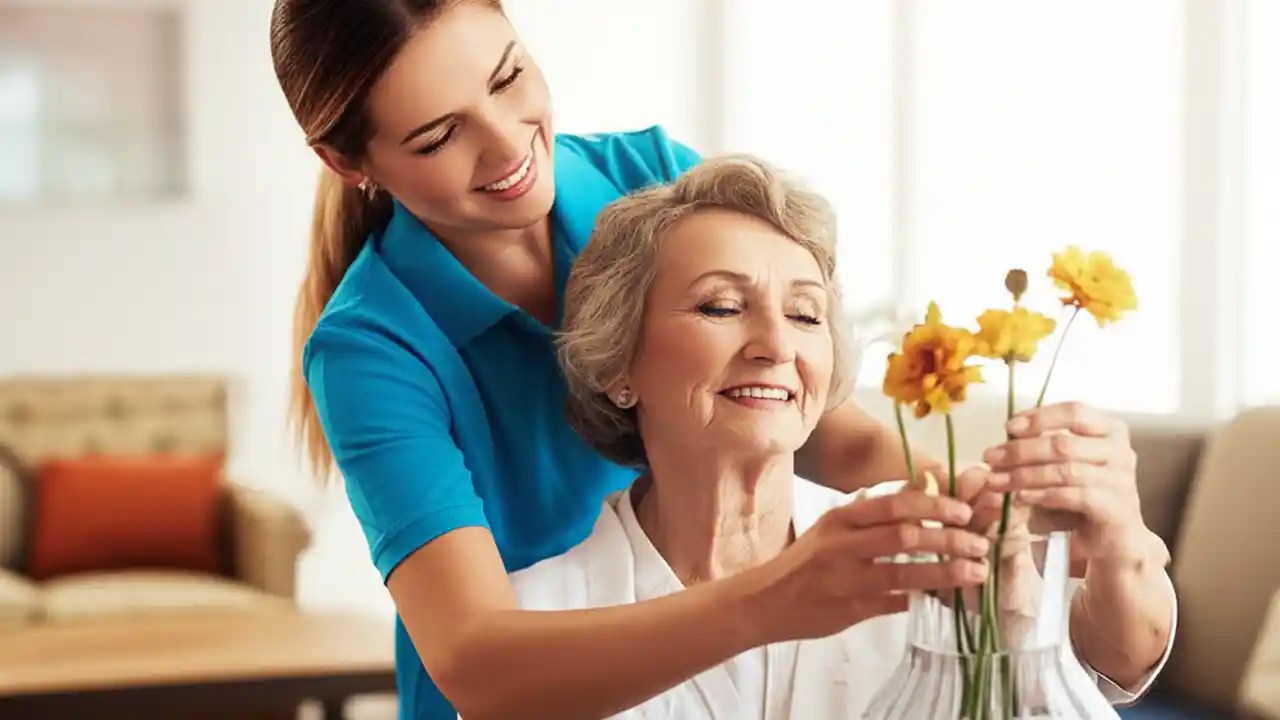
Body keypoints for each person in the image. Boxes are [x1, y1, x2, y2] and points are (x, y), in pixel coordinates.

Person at [267, 2, 1175, 718]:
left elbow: (824, 430)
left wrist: (988, 501)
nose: (508, 145)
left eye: (509, 78)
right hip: (535, 691)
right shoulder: (373, 348)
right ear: (351, 162)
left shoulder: (653, 181)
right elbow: (478, 660)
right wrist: (772, 600)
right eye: (437, 136)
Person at [505, 155, 1175, 718]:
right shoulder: (535, 620)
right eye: (722, 306)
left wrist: (1108, 557)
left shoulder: (921, 551)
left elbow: (1114, 660)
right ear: (620, 364)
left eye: (804, 314)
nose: (775, 345)